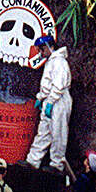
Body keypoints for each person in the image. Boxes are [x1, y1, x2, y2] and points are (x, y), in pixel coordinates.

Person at [25, 35, 72, 172]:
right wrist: (40, 98)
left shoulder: (60, 62)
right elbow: (47, 84)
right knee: (44, 132)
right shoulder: (51, 61)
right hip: (50, 100)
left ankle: (56, 165)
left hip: (59, 101)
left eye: (41, 49)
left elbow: (59, 85)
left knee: (58, 133)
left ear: (48, 46)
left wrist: (50, 101)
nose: (40, 52)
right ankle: (33, 160)